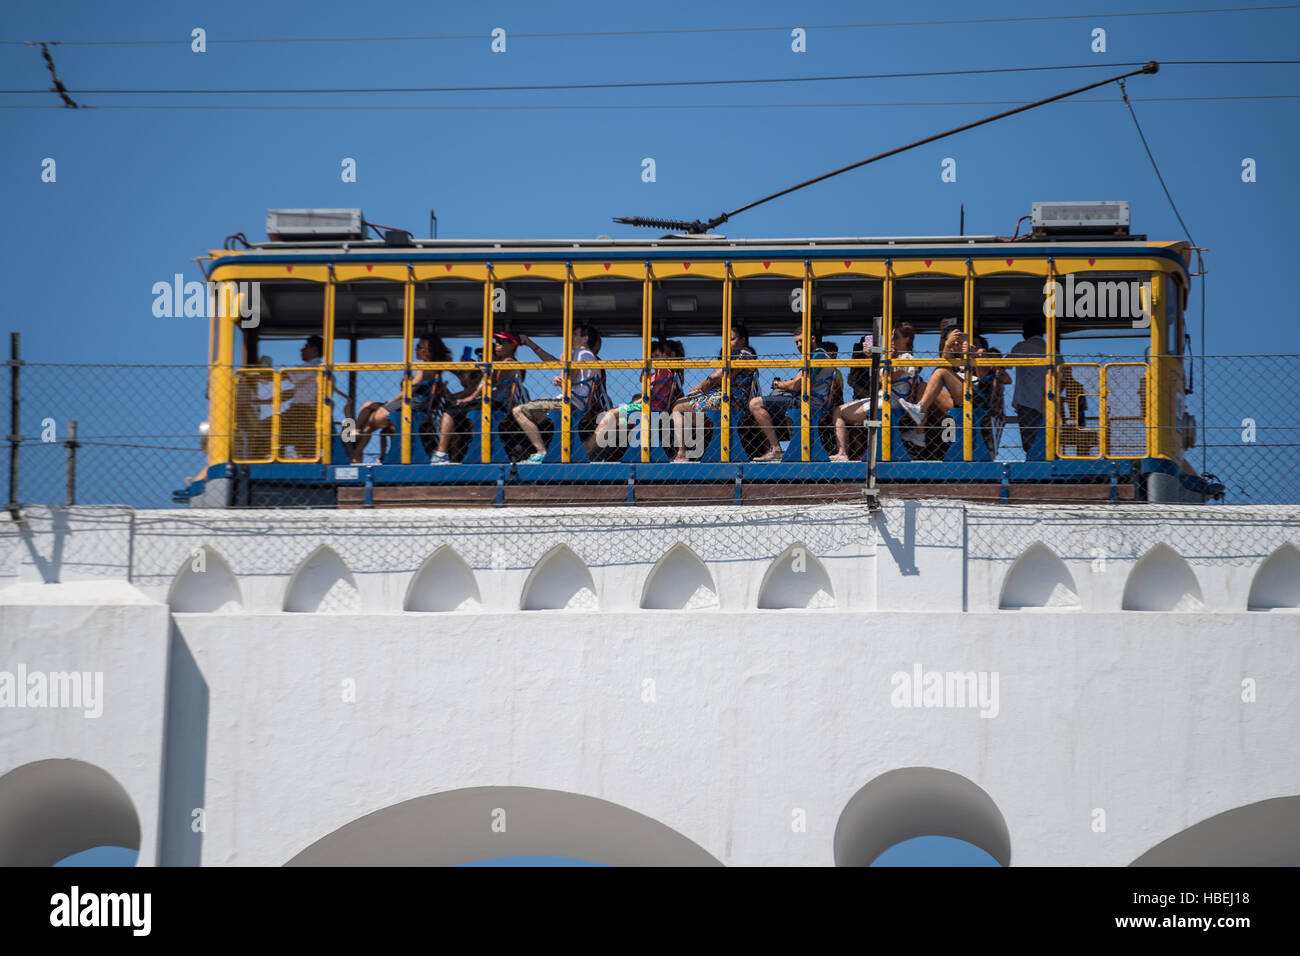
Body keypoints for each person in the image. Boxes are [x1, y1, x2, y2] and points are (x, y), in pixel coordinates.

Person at [510, 324, 606, 464]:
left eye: (575, 334)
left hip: (570, 402)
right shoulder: (587, 356)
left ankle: (541, 452)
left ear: (585, 338)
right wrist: (531, 344)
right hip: (579, 402)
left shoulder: (578, 353)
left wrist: (564, 369)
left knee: (519, 411)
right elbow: (554, 363)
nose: (570, 337)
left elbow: (569, 377)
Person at [348, 335, 452, 463]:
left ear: (428, 350)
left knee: (370, 421)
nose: (416, 349)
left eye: (419, 347)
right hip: (410, 404)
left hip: (411, 406)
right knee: (367, 405)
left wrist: (387, 405)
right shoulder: (435, 369)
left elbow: (407, 392)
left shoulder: (425, 369)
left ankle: (354, 449)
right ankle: (355, 434)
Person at [430, 330, 529, 463]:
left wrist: (483, 370)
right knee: (452, 412)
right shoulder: (493, 366)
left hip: (498, 404)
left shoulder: (508, 362)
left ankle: (441, 454)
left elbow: (491, 381)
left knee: (453, 412)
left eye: (501, 342)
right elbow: (474, 387)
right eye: (496, 342)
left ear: (512, 345)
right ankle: (442, 454)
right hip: (490, 402)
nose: (497, 345)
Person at [829, 323, 922, 461]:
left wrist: (878, 358)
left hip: (891, 402)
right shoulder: (894, 358)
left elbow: (885, 380)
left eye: (895, 337)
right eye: (890, 337)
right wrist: (872, 358)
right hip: (884, 399)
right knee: (840, 410)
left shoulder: (906, 358)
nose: (891, 341)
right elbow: (879, 378)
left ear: (907, 339)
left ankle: (843, 452)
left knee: (839, 411)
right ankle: (845, 452)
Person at [666, 324, 758, 463]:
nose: (728, 343)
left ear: (743, 341)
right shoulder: (736, 356)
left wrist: (704, 385)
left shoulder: (744, 354)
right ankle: (686, 451)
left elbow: (719, 376)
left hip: (730, 400)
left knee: (679, 406)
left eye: (732, 339)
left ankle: (682, 453)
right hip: (726, 398)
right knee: (683, 410)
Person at [747, 328, 836, 462]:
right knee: (769, 406)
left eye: (801, 341)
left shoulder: (817, 357)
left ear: (812, 339)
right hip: (810, 402)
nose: (799, 345)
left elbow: (795, 385)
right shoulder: (816, 356)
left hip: (807, 403)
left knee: (755, 404)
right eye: (796, 342)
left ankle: (775, 449)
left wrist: (777, 384)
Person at [591, 339, 681, 458]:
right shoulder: (655, 373)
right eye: (652, 357)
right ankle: (605, 446)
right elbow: (642, 380)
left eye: (657, 356)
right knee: (616, 419)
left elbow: (651, 395)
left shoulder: (664, 371)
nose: (655, 360)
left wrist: (638, 401)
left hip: (652, 408)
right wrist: (646, 369)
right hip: (649, 406)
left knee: (612, 413)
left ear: (664, 355)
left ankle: (592, 447)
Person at [895, 326, 969, 428]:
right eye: (953, 341)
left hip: (973, 396)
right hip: (957, 401)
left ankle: (920, 410)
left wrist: (973, 355)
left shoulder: (975, 354)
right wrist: (947, 344)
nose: (957, 343)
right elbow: (945, 359)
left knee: (940, 372)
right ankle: (918, 429)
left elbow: (984, 374)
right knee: (923, 385)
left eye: (959, 339)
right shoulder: (952, 359)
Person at [1008, 317, 1047, 455]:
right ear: (1043, 333)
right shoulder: (1053, 351)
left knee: (1030, 444)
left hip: (1026, 402)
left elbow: (1005, 364)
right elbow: (1063, 379)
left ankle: (1034, 464)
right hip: (1049, 402)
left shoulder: (1021, 347)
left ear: (1024, 334)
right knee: (1048, 442)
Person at [971, 335, 1011, 456]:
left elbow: (1008, 380)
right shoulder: (975, 369)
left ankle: (990, 454)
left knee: (991, 442)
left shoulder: (994, 372)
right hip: (984, 409)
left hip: (994, 409)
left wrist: (997, 368)